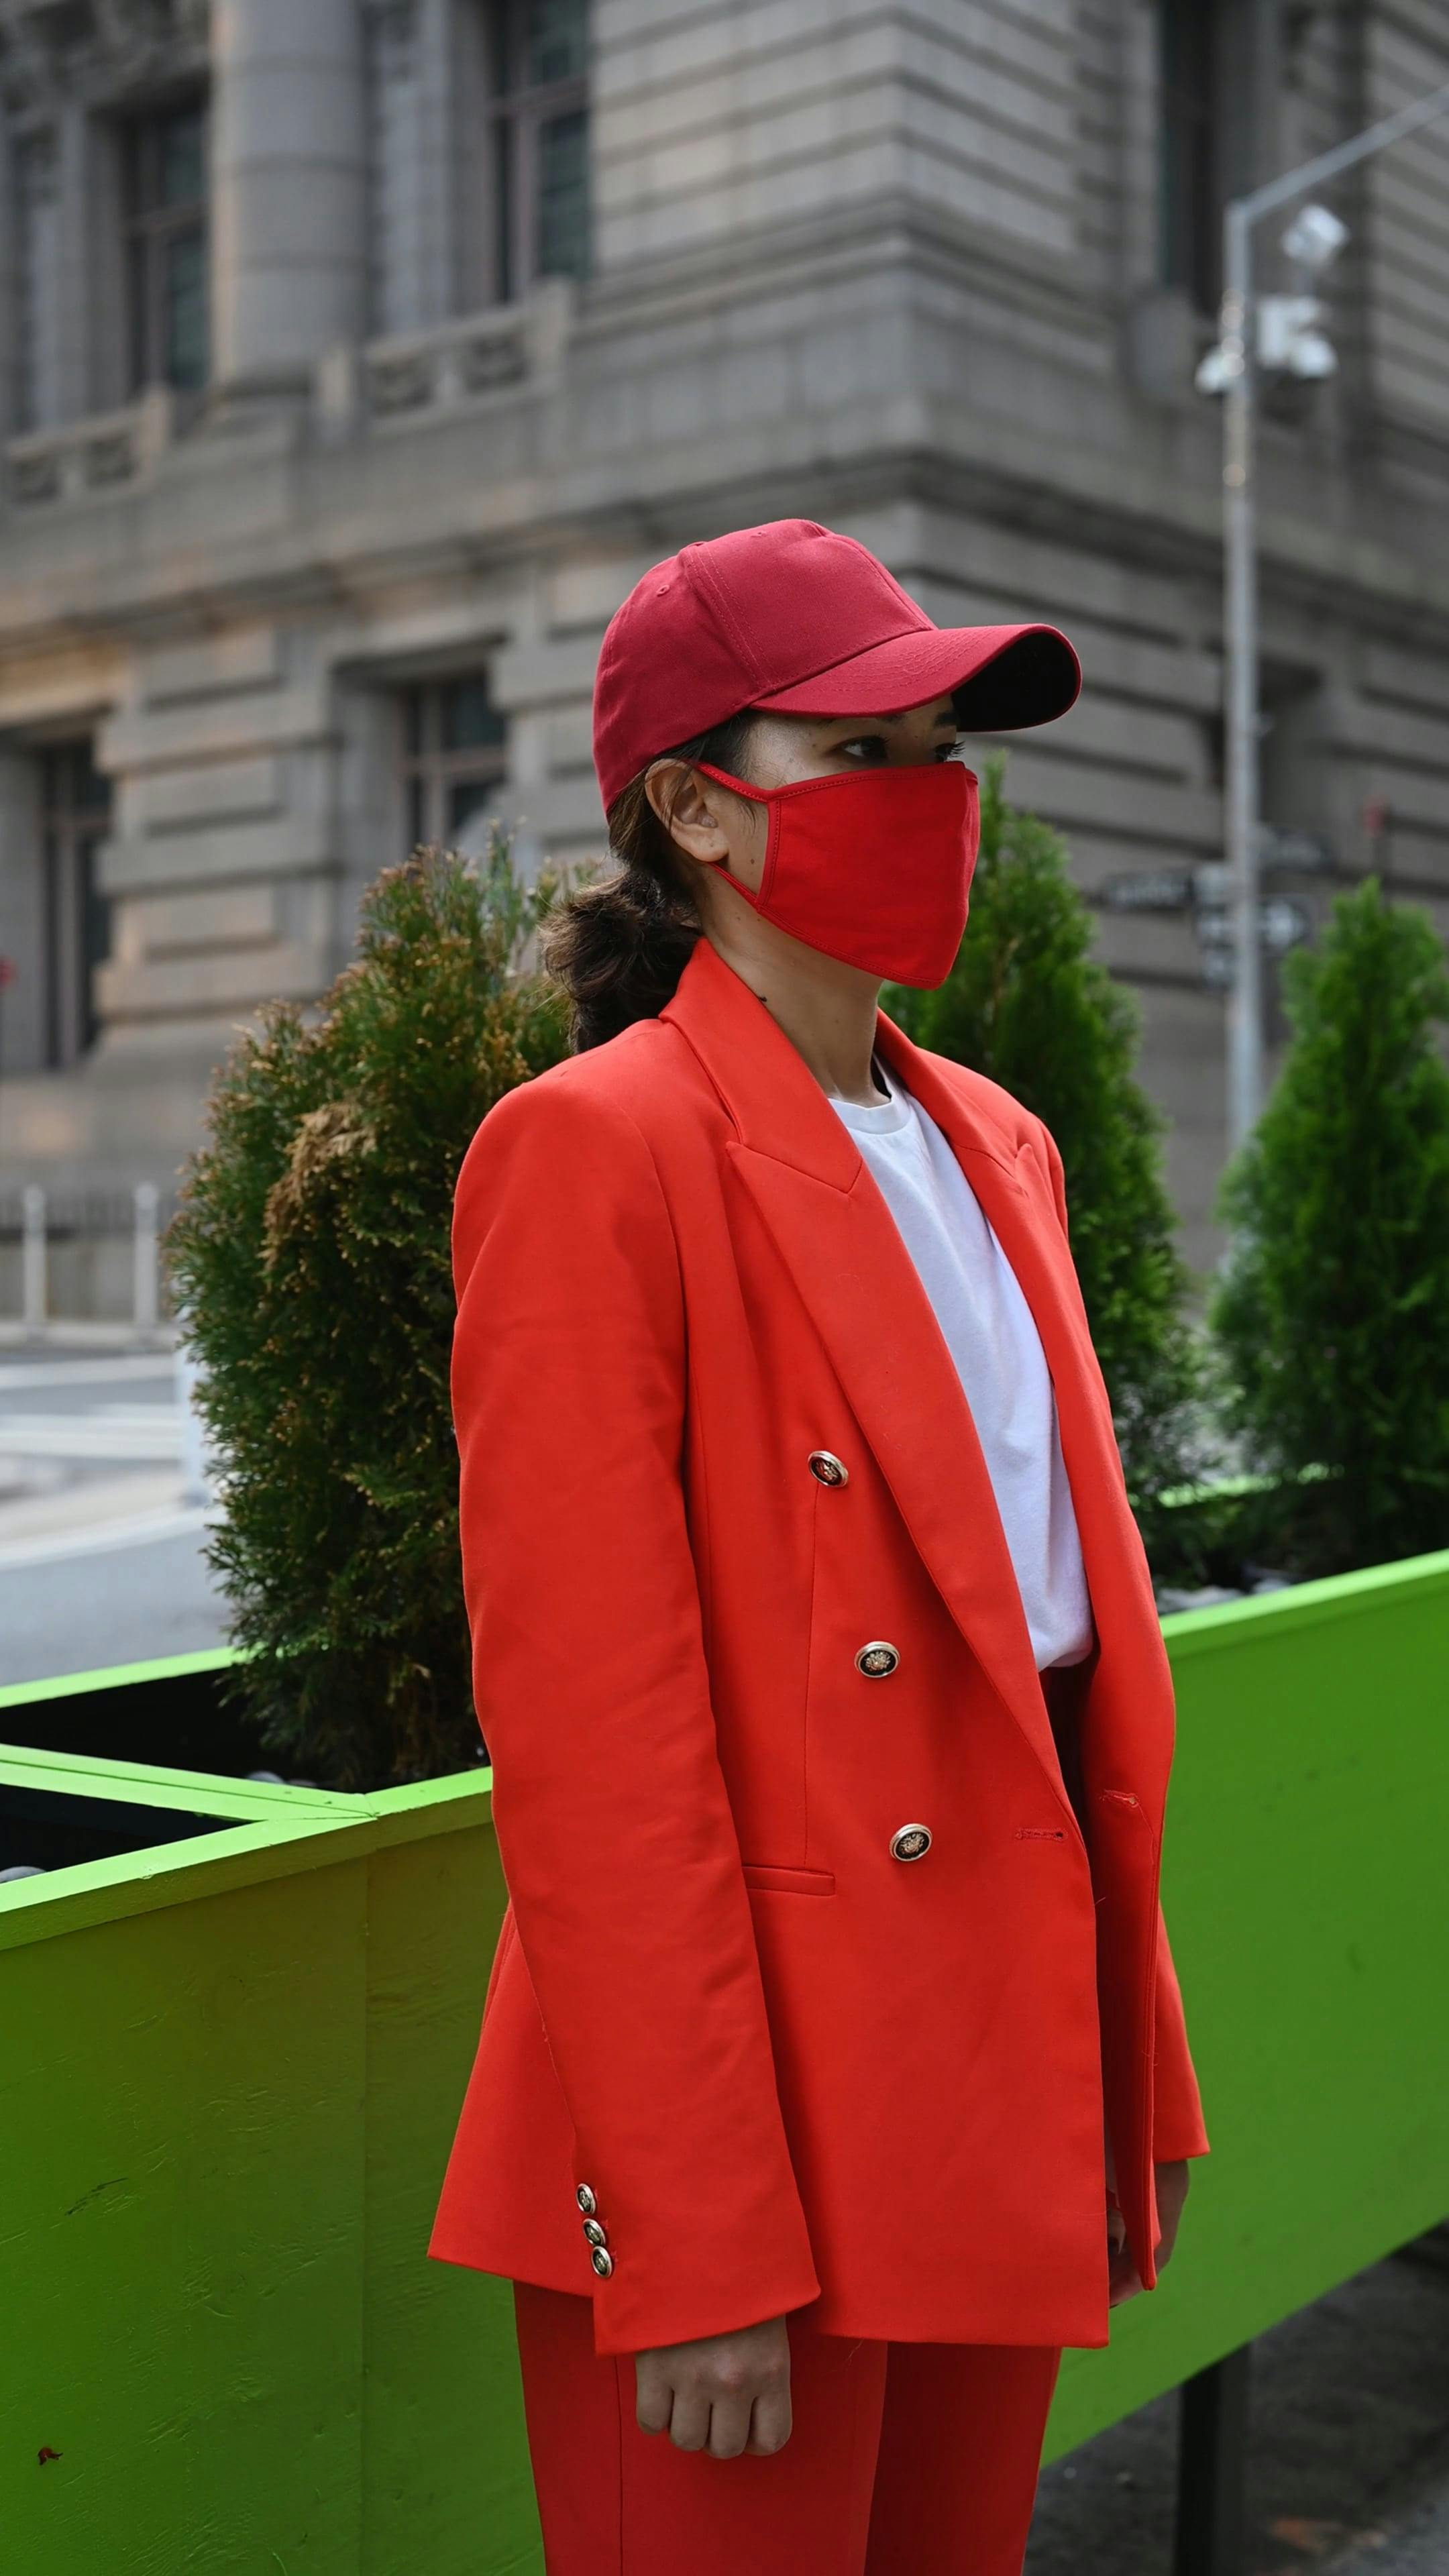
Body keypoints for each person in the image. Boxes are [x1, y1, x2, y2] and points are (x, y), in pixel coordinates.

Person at [430, 519, 1210, 2574]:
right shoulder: (596, 1150)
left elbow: (1056, 1670)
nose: (931, 799)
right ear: (698, 808)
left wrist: (1135, 2060)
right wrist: (689, 2228)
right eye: (867, 753)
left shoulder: (997, 1141)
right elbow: (597, 1752)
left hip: (990, 2066)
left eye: (946, 752)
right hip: (747, 2109)